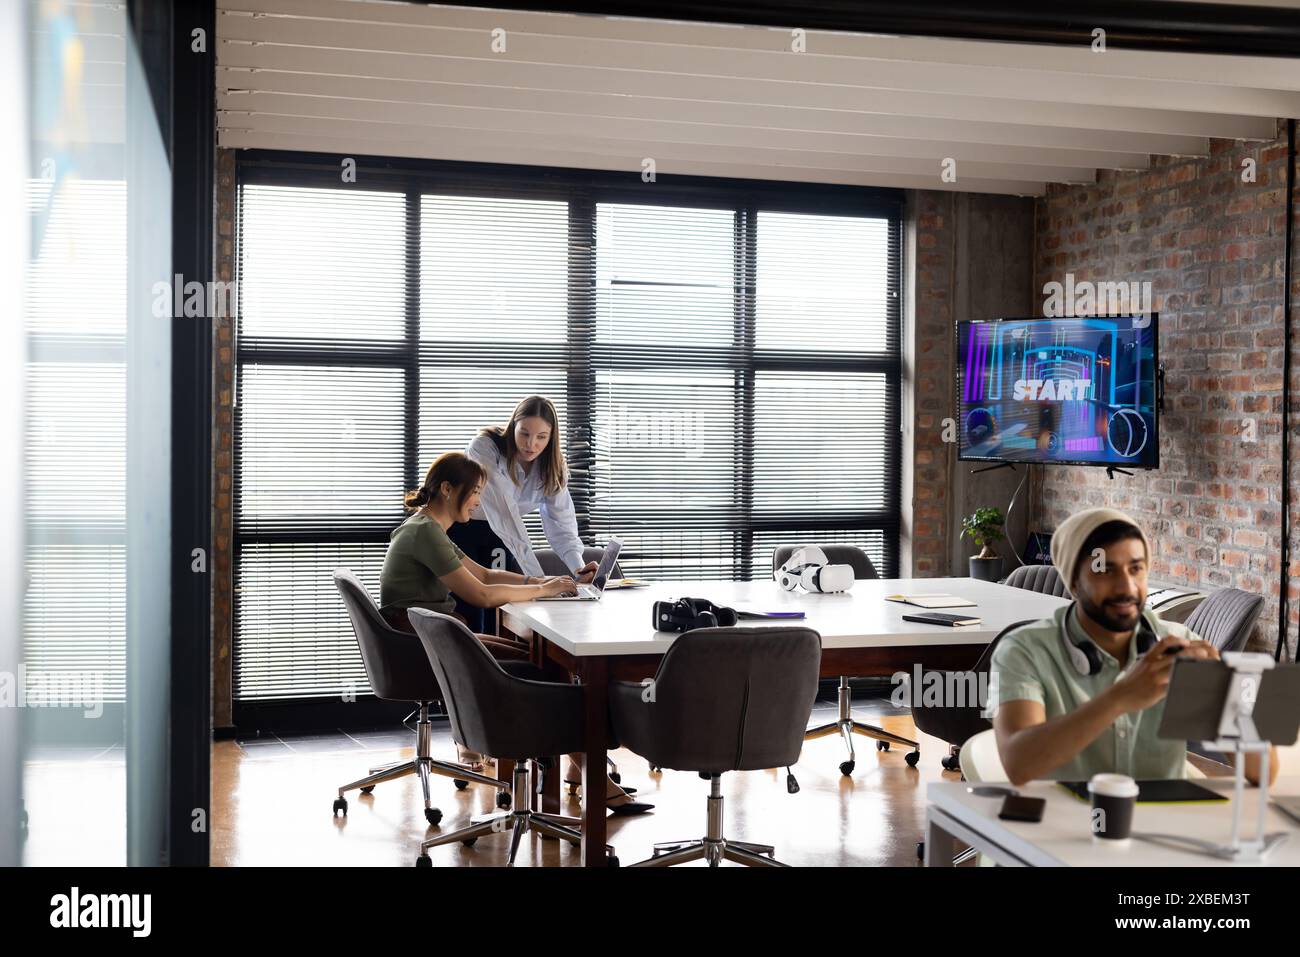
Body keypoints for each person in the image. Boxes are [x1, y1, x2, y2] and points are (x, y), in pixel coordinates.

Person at [380, 451, 650, 814]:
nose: (478, 501)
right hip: (422, 647)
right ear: (447, 489)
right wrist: (544, 591)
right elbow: (482, 595)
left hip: (429, 638)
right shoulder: (425, 532)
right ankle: (592, 777)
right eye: (474, 492)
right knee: (548, 672)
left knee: (540, 662)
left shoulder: (426, 528)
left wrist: (542, 581)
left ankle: (578, 767)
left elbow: (488, 576)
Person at [989, 507, 1278, 788]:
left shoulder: (1180, 640)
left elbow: (1264, 771)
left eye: (1136, 569)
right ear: (1074, 582)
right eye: (1106, 570)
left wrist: (1225, 696)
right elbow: (1018, 764)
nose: (1126, 586)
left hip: (1161, 825)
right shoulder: (1022, 650)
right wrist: (1120, 698)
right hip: (1056, 825)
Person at [450, 396, 597, 634]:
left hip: (500, 537)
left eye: (541, 437)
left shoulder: (552, 467)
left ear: (551, 437)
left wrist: (578, 570)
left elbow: (561, 524)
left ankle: (496, 664)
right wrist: (540, 582)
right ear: (513, 426)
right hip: (464, 528)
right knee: (469, 604)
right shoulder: (485, 447)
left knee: (501, 606)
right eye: (524, 433)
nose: (531, 444)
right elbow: (503, 512)